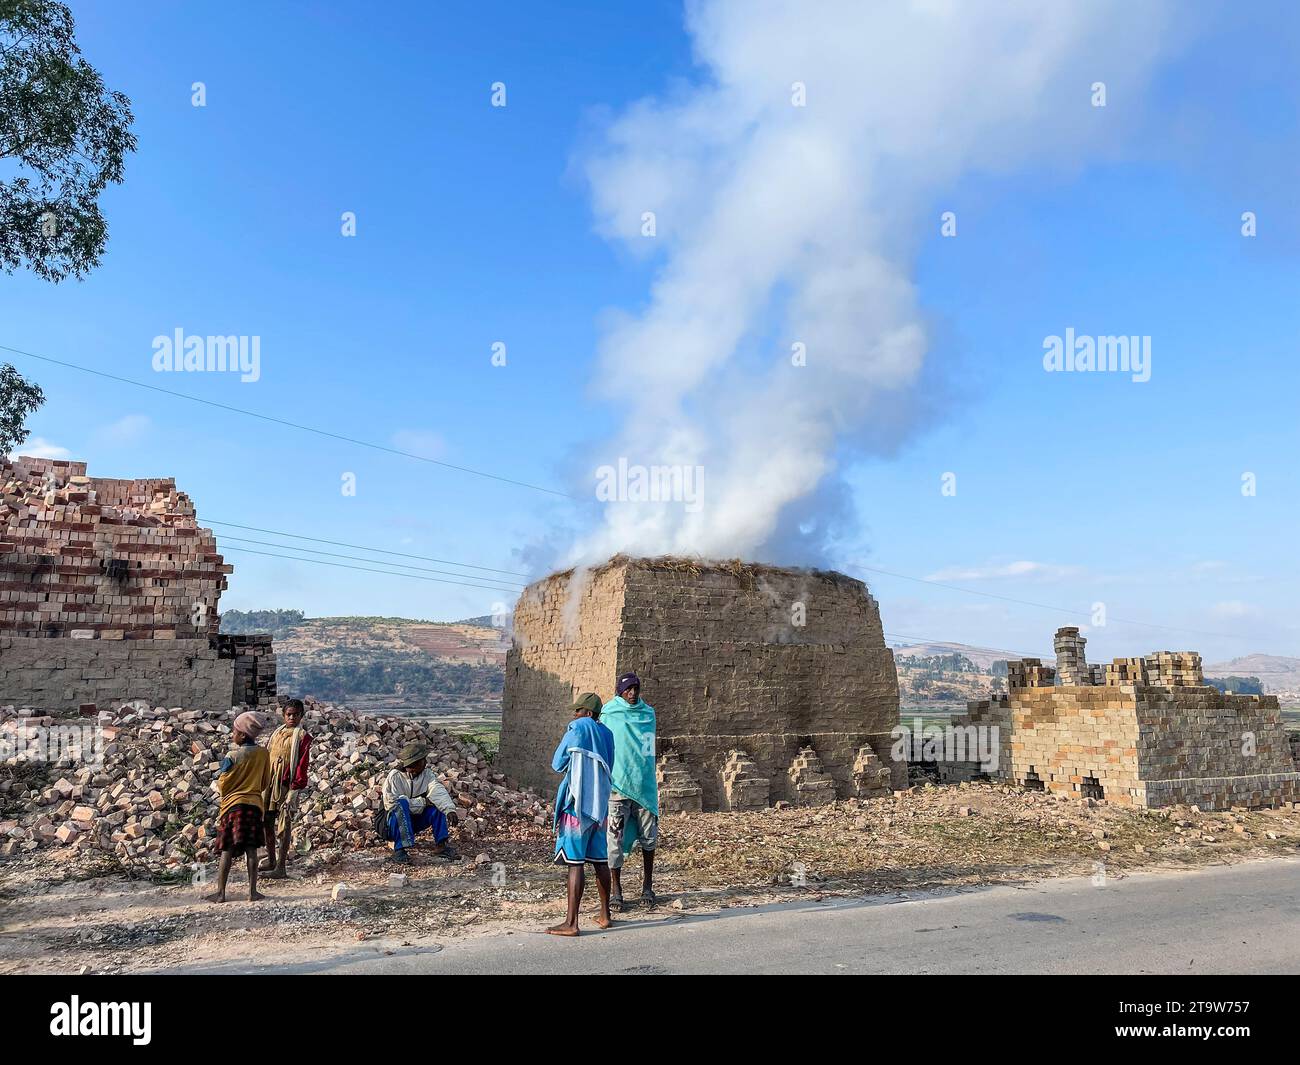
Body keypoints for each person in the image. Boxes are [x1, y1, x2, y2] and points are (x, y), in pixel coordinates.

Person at [546, 692, 616, 937]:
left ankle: (571, 923)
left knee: (575, 864)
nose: (574, 714)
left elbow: (557, 763)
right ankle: (605, 915)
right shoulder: (607, 734)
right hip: (600, 807)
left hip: (577, 806)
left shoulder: (577, 728)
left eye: (578, 710)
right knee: (599, 862)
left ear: (587, 713)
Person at [601, 672, 659, 910]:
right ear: (619, 691)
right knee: (614, 841)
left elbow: (648, 749)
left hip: (644, 786)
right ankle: (616, 890)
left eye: (636, 688)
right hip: (616, 786)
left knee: (649, 840)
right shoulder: (609, 713)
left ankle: (648, 885)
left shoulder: (648, 714)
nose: (633, 693)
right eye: (628, 689)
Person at [205, 711, 271, 904]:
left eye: (234, 731)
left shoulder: (232, 755)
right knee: (251, 848)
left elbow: (223, 784)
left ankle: (221, 893)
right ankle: (252, 892)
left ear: (243, 735)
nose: (232, 735)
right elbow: (265, 781)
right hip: (254, 806)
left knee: (227, 849)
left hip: (233, 807)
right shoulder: (263, 754)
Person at [381, 741, 460, 863]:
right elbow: (391, 804)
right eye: (423, 760)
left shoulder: (427, 775)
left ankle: (441, 846)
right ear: (414, 764)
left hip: (412, 821)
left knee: (437, 806)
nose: (426, 763)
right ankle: (399, 850)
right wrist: (422, 802)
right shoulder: (395, 777)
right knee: (401, 803)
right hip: (391, 824)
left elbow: (437, 791)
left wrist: (449, 809)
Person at [261, 698, 312, 879]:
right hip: (269, 781)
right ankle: (271, 859)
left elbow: (301, 765)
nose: (291, 718)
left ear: (301, 716)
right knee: (267, 820)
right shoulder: (277, 733)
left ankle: (281, 866)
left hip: (286, 784)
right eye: (288, 714)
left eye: (295, 715)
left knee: (284, 824)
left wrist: (294, 788)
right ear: (283, 715)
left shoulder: (302, 737)